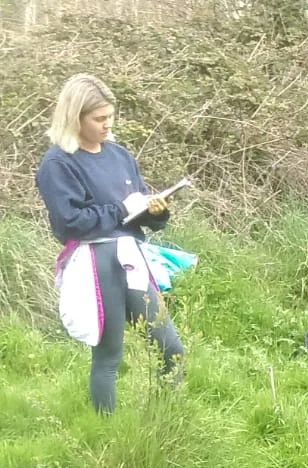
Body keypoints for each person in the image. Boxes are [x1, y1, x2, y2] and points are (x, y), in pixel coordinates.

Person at [35, 73, 184, 415]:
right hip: (96, 261)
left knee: (171, 349)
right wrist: (121, 208)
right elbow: (69, 223)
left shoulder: (119, 156)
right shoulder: (58, 164)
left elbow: (135, 211)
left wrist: (155, 212)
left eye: (110, 117)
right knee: (108, 356)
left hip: (130, 255)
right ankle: (106, 434)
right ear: (75, 118)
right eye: (99, 119)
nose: (107, 125)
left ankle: (166, 425)